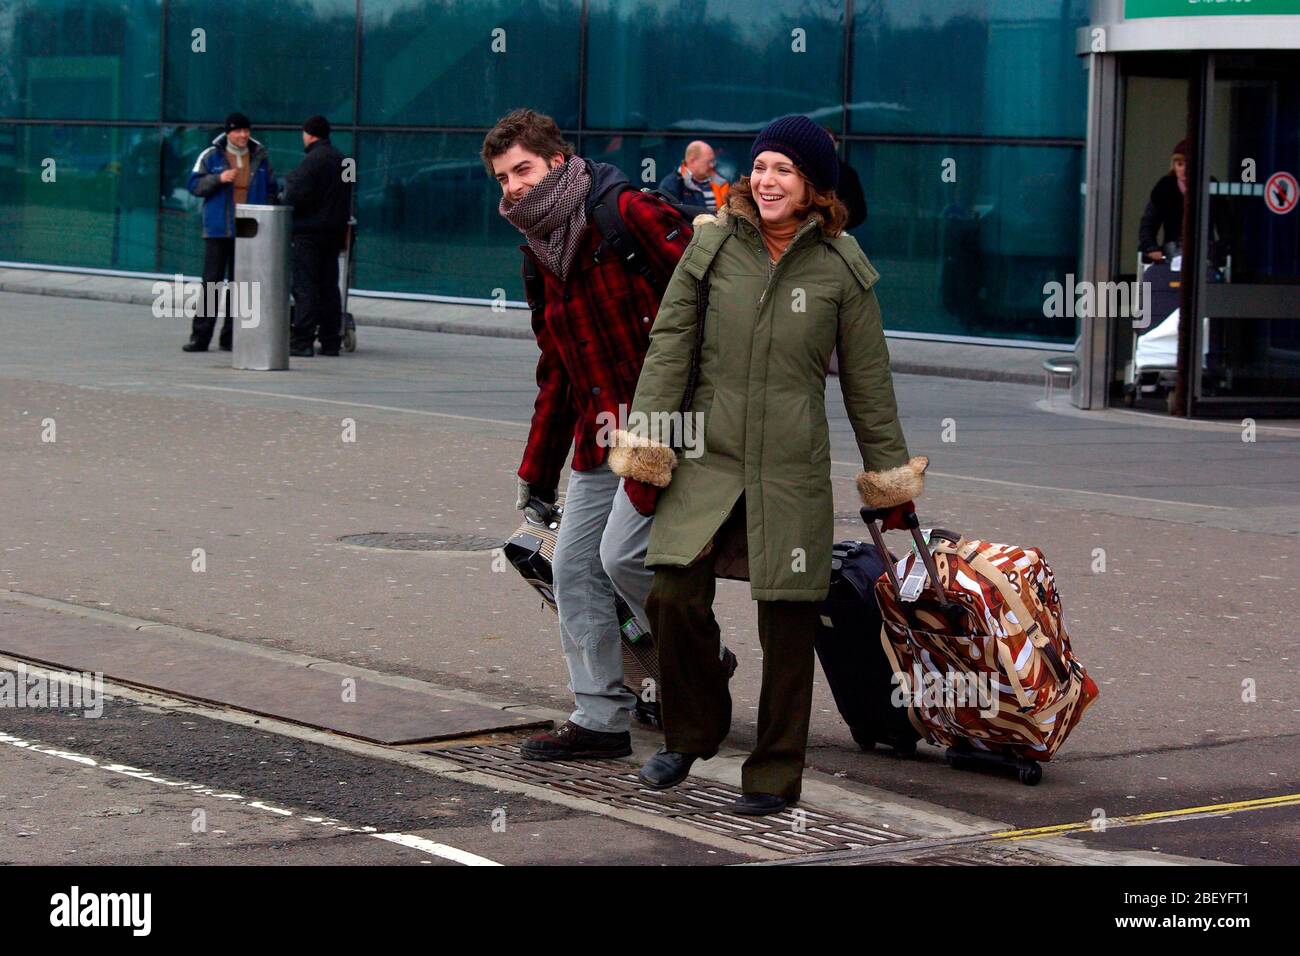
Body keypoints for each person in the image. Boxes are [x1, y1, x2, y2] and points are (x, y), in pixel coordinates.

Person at [610, 115, 927, 815]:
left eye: (784, 169)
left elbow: (869, 385)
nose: (767, 180)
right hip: (708, 460)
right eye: (760, 167)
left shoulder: (842, 266)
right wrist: (647, 450)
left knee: (788, 622)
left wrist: (891, 484)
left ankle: (775, 773)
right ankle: (694, 730)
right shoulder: (714, 245)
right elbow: (669, 349)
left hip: (791, 468)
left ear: (814, 186)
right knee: (671, 596)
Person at [482, 108, 737, 762]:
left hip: (673, 429)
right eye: (502, 178)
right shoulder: (541, 252)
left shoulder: (627, 212)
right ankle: (600, 718)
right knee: (572, 568)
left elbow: (718, 300)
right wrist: (537, 470)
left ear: (557, 160)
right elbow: (558, 370)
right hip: (604, 438)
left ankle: (696, 657)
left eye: (522, 170)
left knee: (622, 557)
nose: (513, 187)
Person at [184, 112, 277, 352]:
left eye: (246, 130)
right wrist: (219, 178)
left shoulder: (260, 157)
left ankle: (232, 337)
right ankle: (200, 337)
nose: (243, 135)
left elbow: (271, 190)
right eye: (238, 131)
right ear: (228, 133)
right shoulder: (211, 155)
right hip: (218, 229)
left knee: (241, 285)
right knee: (212, 284)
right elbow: (194, 185)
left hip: (249, 229)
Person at [280, 115, 352, 357]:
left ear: (309, 134)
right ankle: (331, 340)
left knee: (305, 287)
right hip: (334, 233)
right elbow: (349, 191)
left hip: (309, 234)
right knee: (330, 287)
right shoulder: (346, 161)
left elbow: (294, 196)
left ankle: (303, 341)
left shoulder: (310, 162)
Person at [657, 141, 730, 219]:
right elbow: (666, 217)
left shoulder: (721, 182)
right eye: (708, 162)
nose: (712, 165)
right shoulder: (671, 184)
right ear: (692, 161)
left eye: (713, 161)